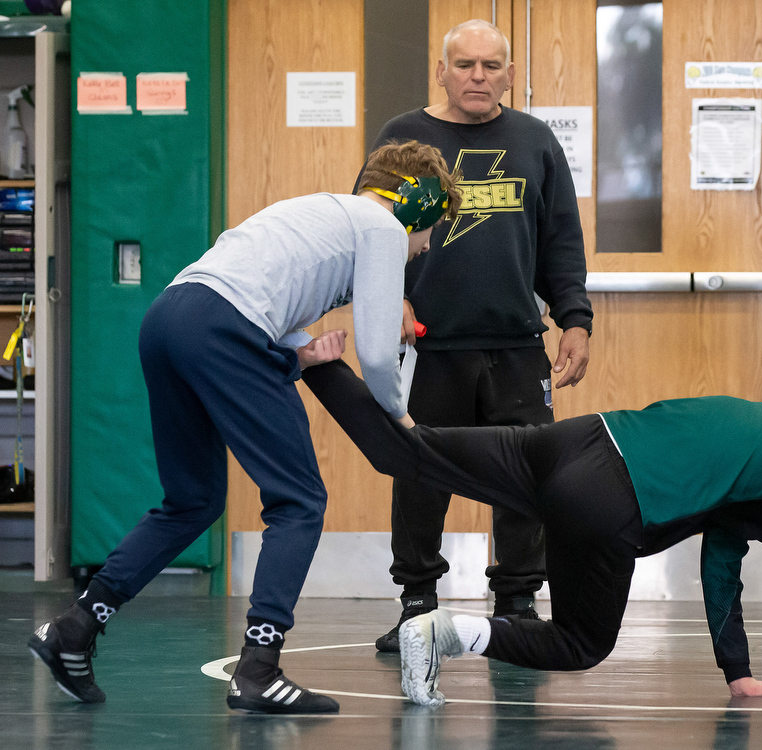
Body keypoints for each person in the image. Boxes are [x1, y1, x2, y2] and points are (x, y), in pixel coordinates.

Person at [27, 140, 461, 713]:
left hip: (169, 319)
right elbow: (379, 358)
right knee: (300, 501)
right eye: (426, 241)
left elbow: (262, 309)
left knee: (192, 500)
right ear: (419, 209)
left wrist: (300, 354)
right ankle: (258, 670)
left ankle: (75, 628)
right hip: (221, 329)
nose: (420, 252)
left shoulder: (316, 211)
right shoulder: (381, 227)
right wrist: (405, 423)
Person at [301, 357, 762, 710]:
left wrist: (738, 676)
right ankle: (445, 632)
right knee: (580, 644)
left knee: (408, 451)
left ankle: (314, 359)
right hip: (609, 495)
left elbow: (722, 563)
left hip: (569, 443)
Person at [359, 18, 593, 652]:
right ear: (441, 70)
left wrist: (574, 318)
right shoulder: (402, 137)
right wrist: (394, 297)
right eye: (465, 65)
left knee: (529, 476)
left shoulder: (536, 141)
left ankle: (517, 602)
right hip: (429, 347)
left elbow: (562, 242)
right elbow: (369, 232)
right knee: (419, 475)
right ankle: (416, 603)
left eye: (492, 66)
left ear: (509, 73)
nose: (478, 77)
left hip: (517, 346)